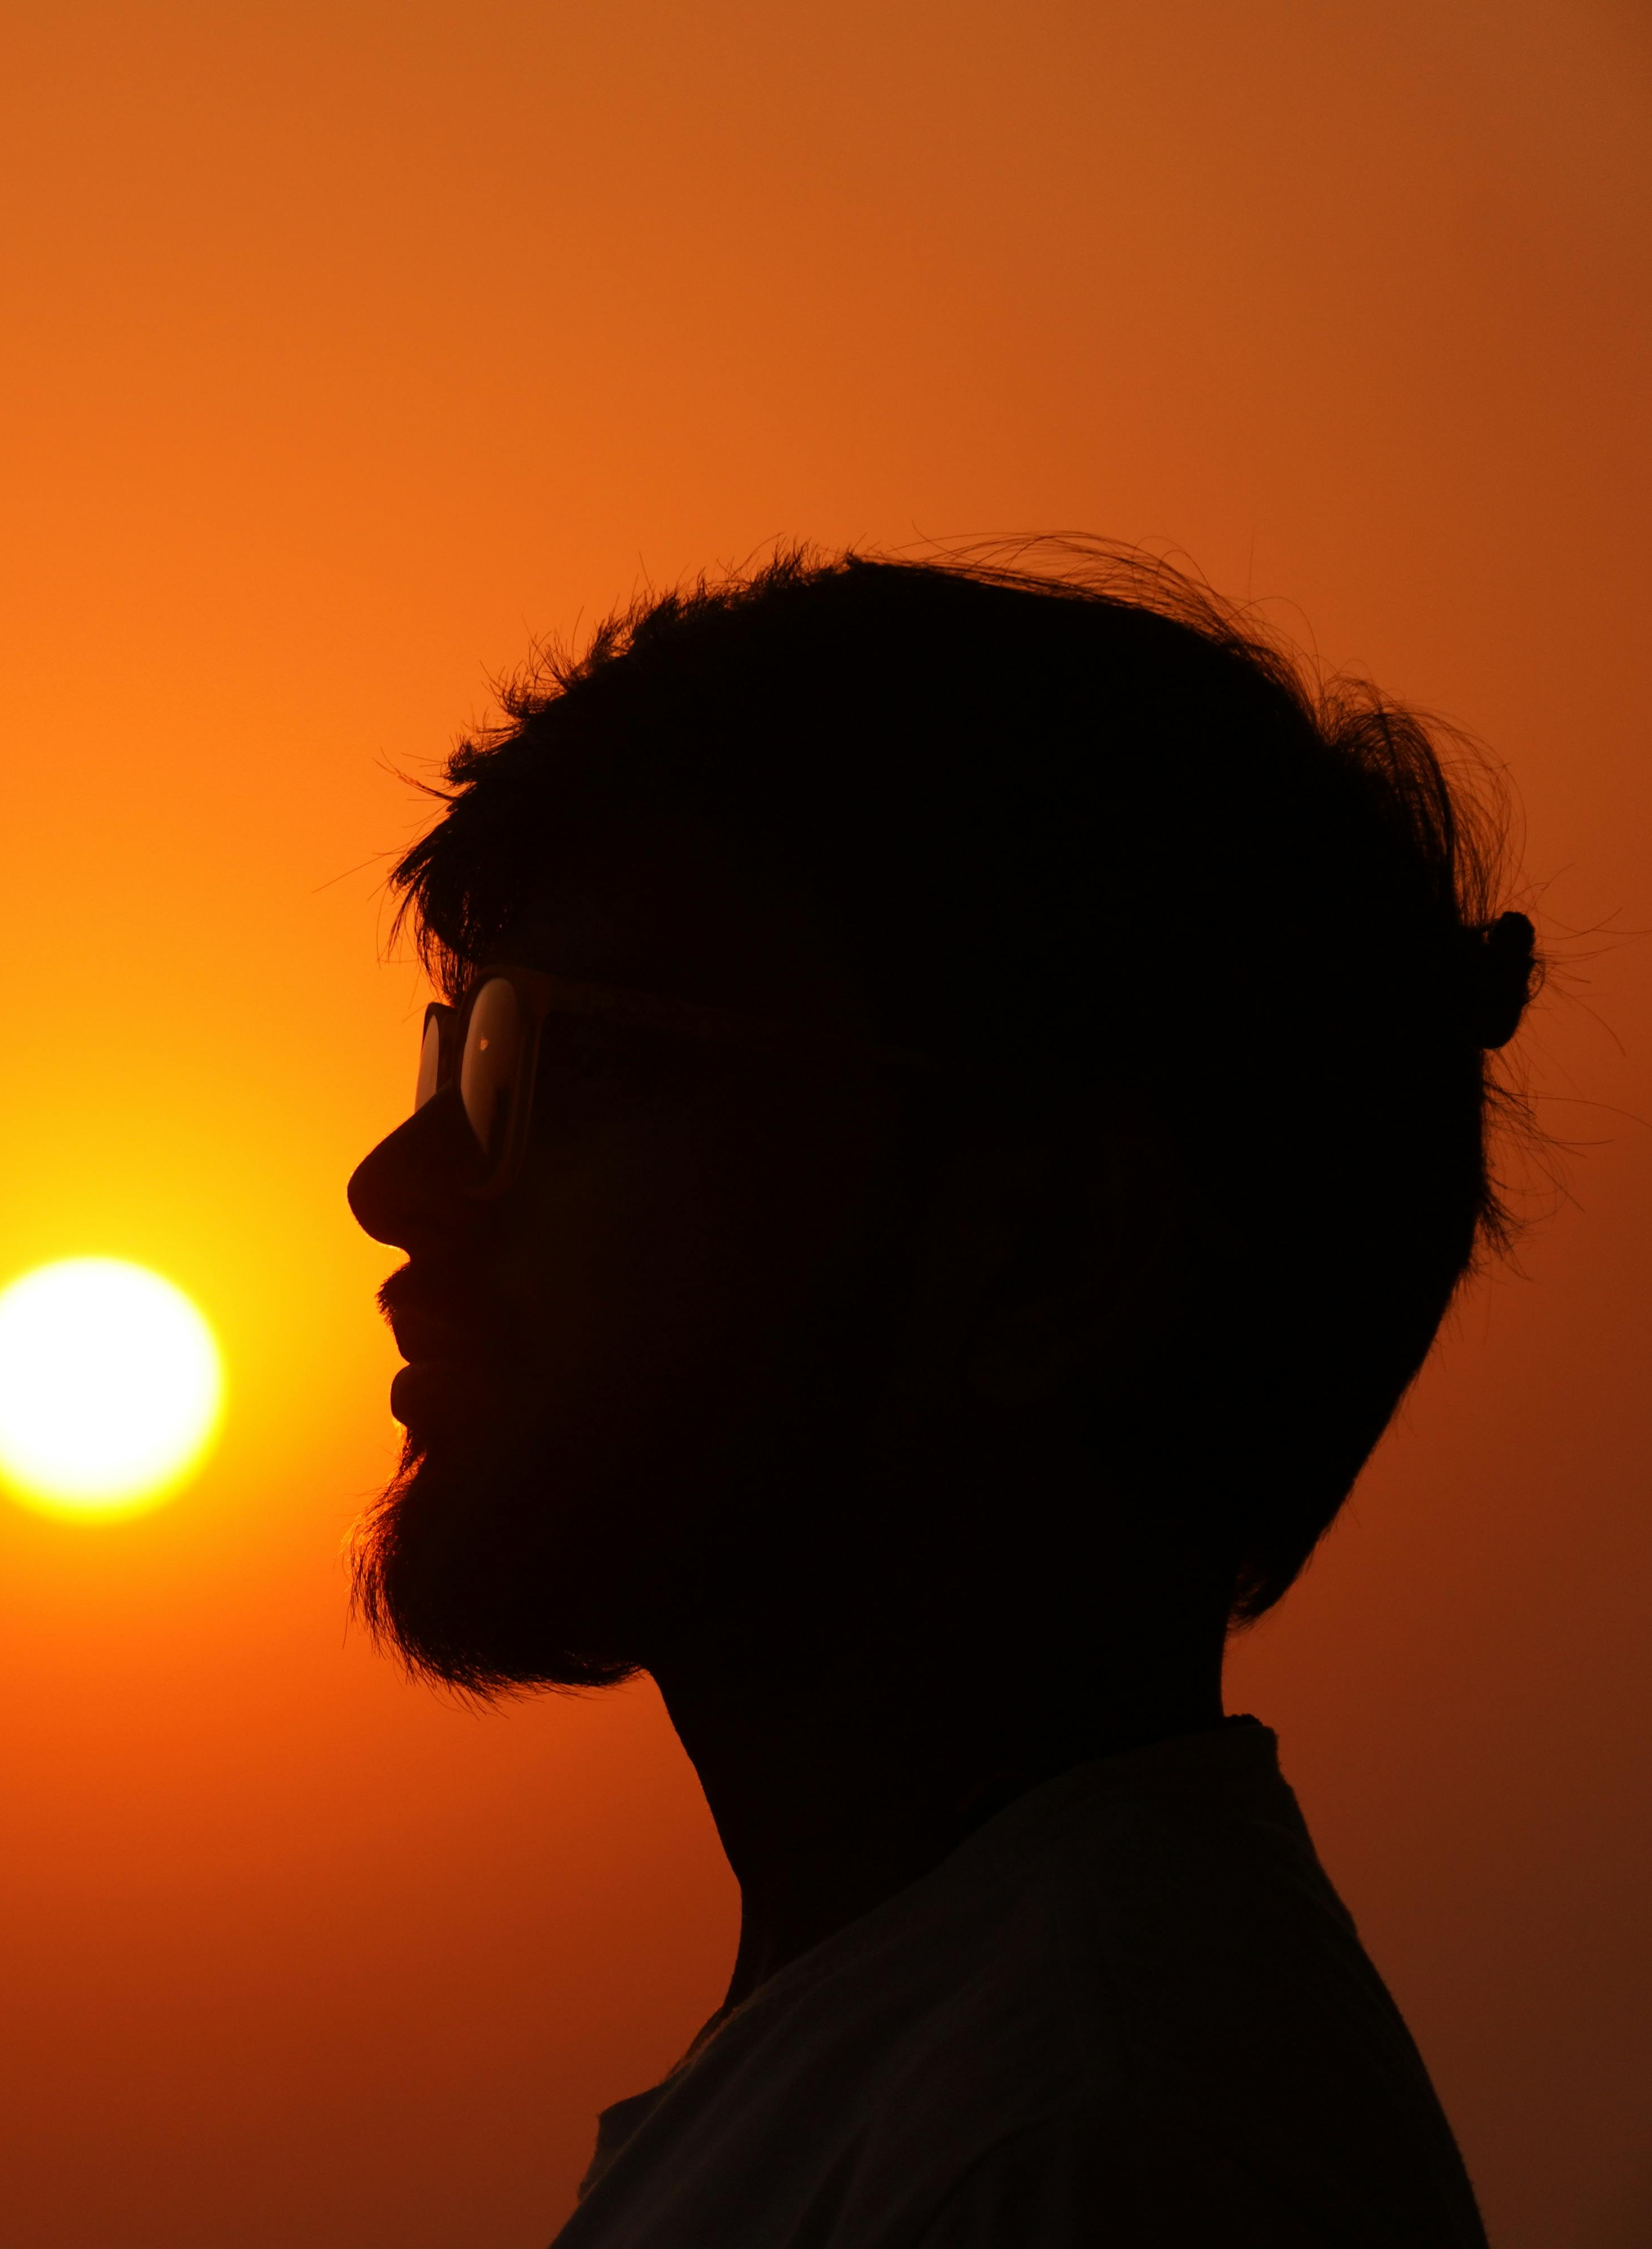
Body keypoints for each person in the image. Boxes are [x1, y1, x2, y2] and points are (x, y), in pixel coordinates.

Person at [345, 547, 1535, 2247]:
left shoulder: (1084, 2164)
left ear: (1047, 1251)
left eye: (556, 1065)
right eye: (453, 1049)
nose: (402, 1185)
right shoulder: (926, 2075)